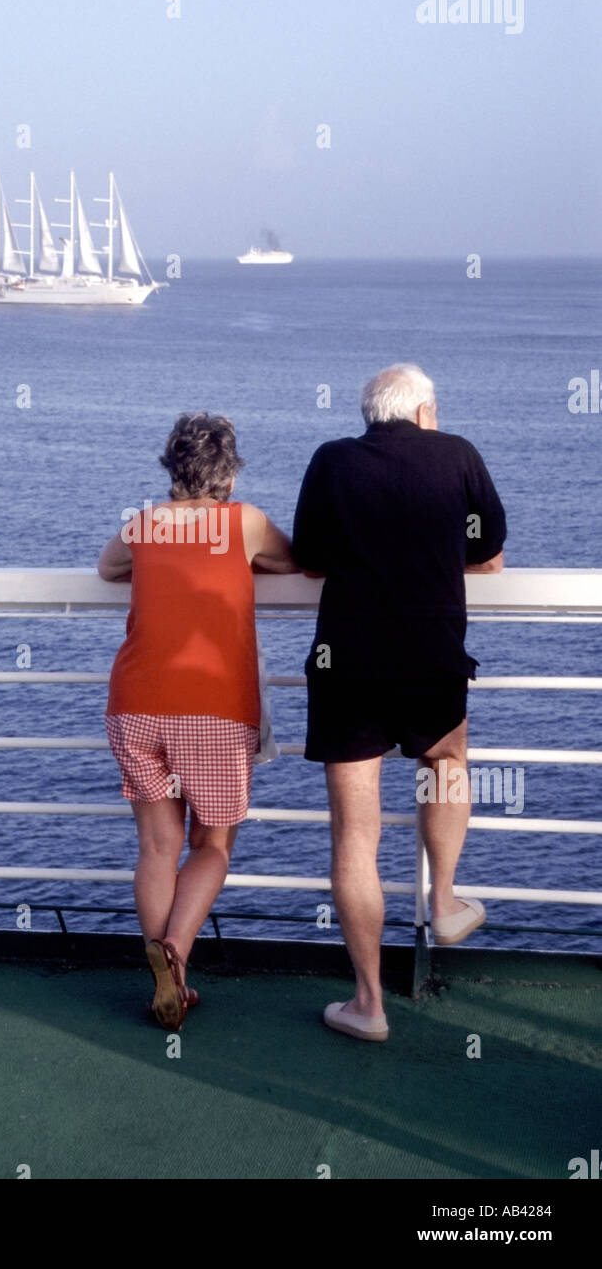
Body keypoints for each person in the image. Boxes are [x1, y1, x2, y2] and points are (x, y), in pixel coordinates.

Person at [291, 364, 506, 1042]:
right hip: (430, 655)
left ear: (370, 416)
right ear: (422, 413)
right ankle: (442, 901)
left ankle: (367, 1005)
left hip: (346, 662)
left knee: (355, 834)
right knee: (445, 758)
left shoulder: (331, 461)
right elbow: (489, 553)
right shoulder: (458, 454)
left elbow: (311, 562)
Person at [99, 412, 297, 1030]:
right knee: (211, 845)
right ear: (230, 474)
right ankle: (176, 956)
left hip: (135, 702)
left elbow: (109, 570)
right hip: (213, 708)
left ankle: (167, 979)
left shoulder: (143, 523)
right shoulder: (245, 522)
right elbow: (291, 562)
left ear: (170, 468)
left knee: (158, 846)